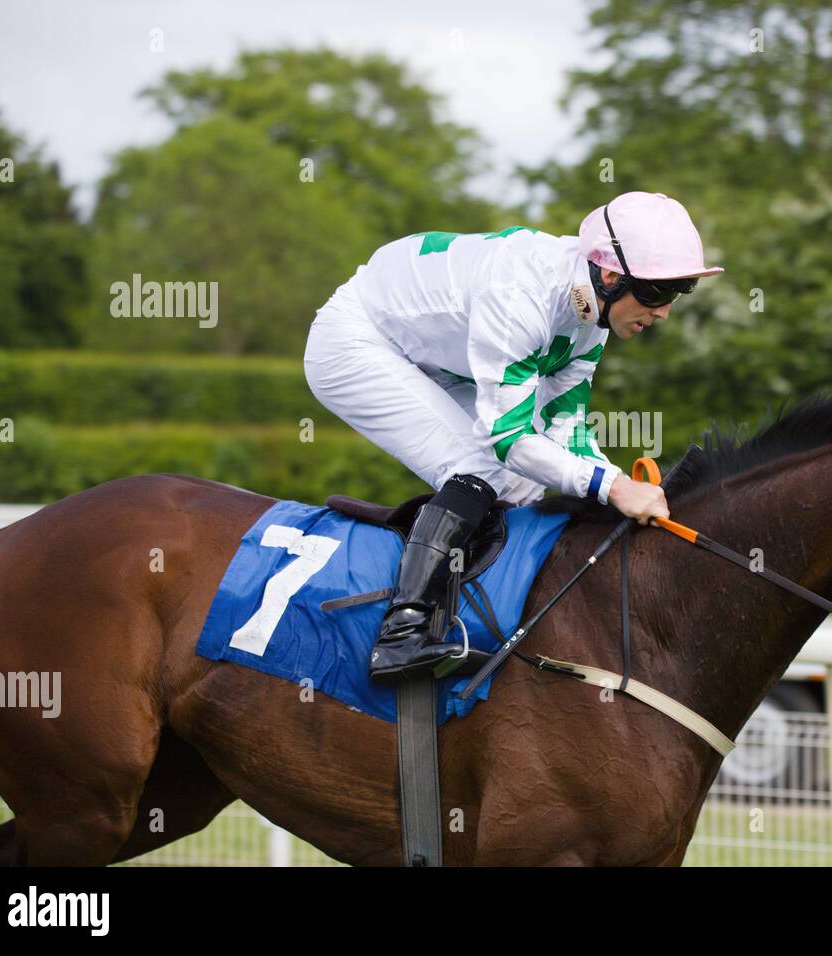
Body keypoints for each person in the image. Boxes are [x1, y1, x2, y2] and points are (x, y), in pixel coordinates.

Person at [304, 191, 722, 684]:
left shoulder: (590, 316)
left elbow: (566, 432)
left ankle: (478, 617)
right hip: (358, 338)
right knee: (482, 468)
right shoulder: (521, 297)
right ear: (610, 276)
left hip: (440, 352)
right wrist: (613, 489)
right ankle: (402, 633)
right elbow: (510, 440)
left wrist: (616, 481)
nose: (664, 312)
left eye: (680, 292)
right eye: (656, 293)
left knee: (524, 486)